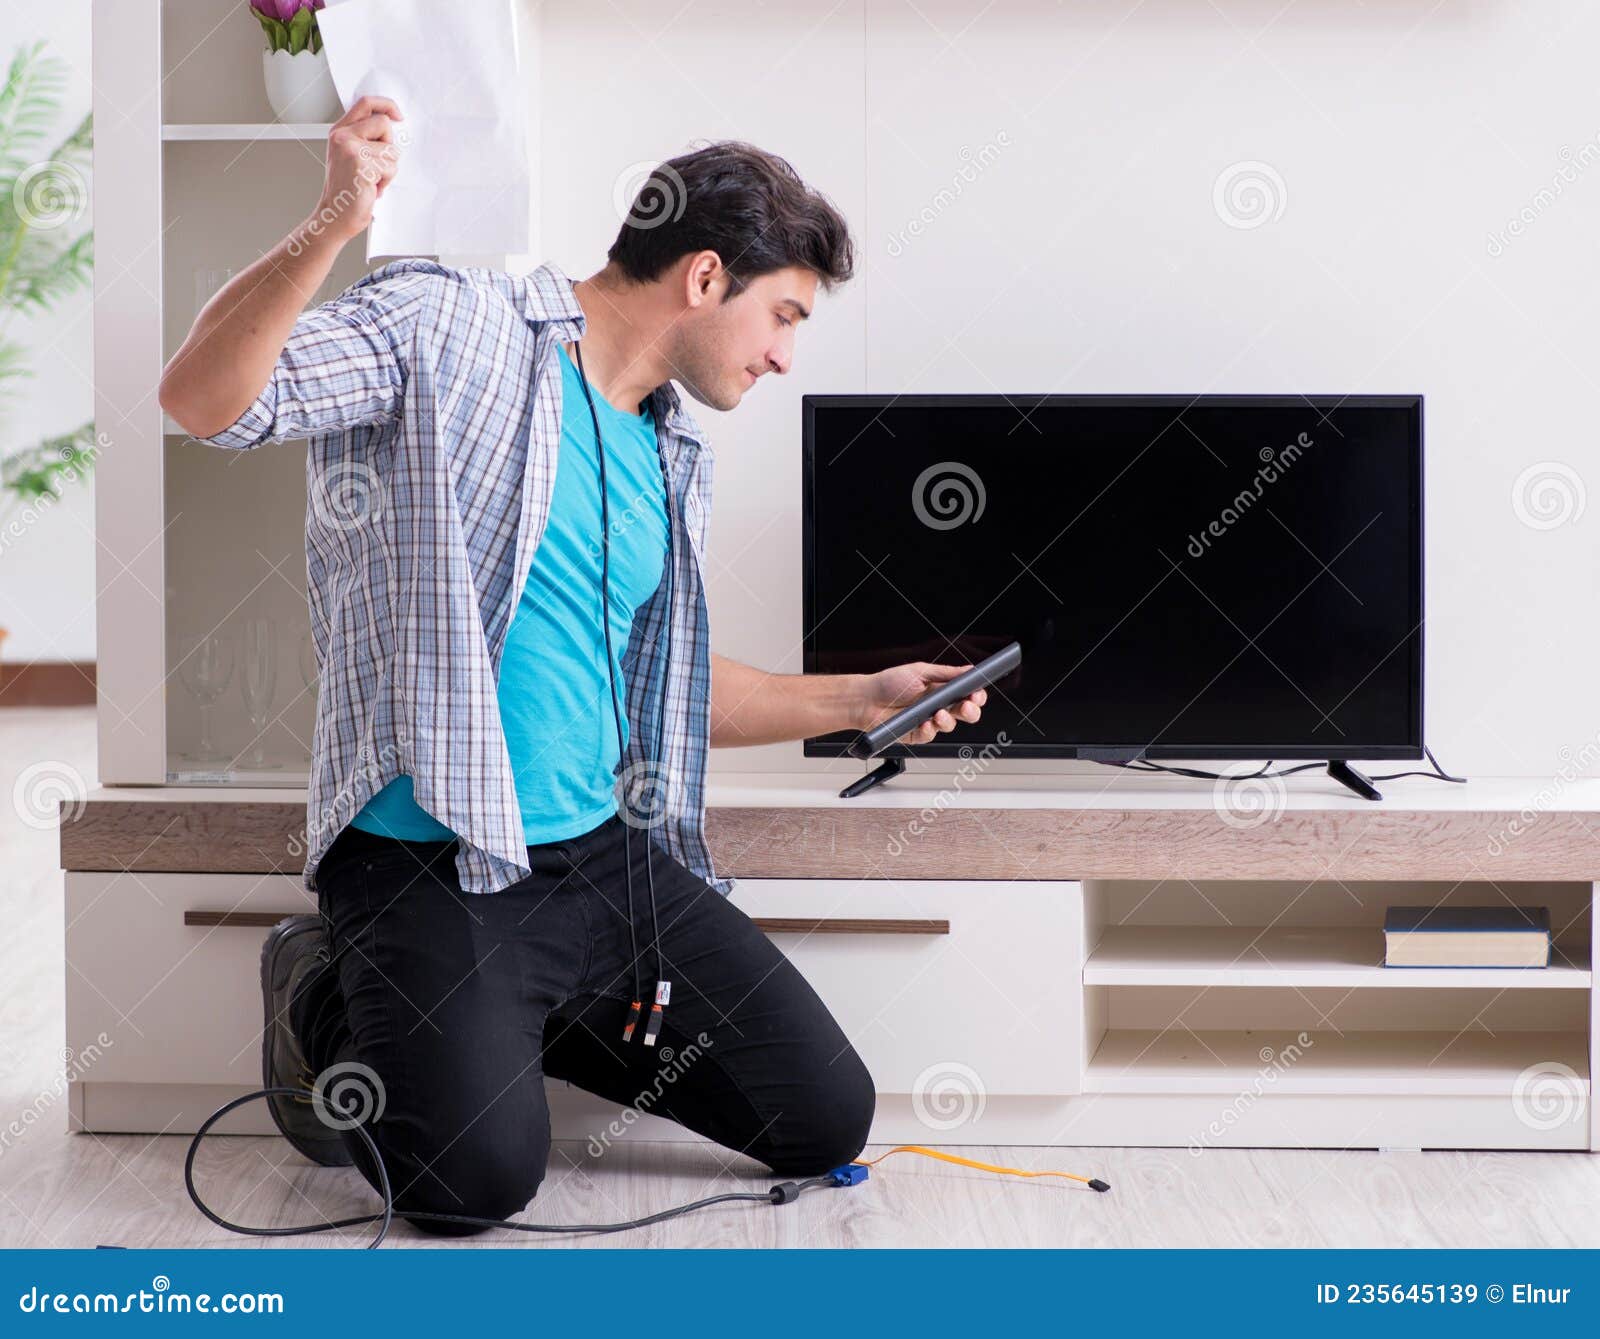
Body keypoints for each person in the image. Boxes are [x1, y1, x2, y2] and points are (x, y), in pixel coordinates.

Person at [159, 96, 988, 1236]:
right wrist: (335, 222)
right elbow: (203, 401)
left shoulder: (668, 447)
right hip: (433, 854)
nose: (784, 355)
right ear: (705, 276)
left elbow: (664, 691)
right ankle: (328, 1003)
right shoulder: (450, 324)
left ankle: (487, 1029)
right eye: (783, 315)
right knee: (470, 1186)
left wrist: (864, 698)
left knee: (823, 1114)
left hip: (601, 856)